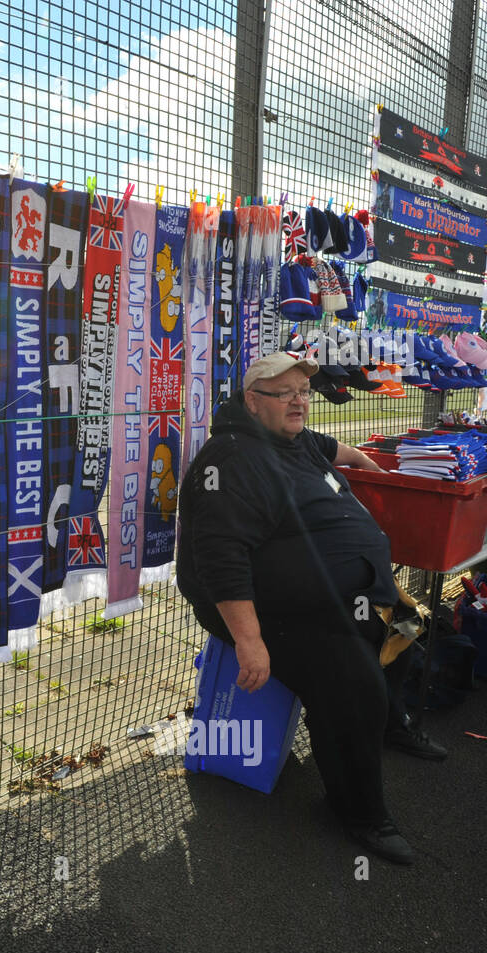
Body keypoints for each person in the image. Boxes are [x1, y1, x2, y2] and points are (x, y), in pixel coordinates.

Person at [176, 351, 443, 866]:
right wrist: (250, 642)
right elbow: (221, 562)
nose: (299, 401)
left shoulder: (292, 438)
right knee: (353, 687)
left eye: (304, 392)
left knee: (408, 625)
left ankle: (389, 725)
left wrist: (370, 464)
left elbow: (332, 447)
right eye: (285, 393)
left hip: (344, 593)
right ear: (253, 402)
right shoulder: (230, 460)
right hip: (277, 609)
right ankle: (360, 813)